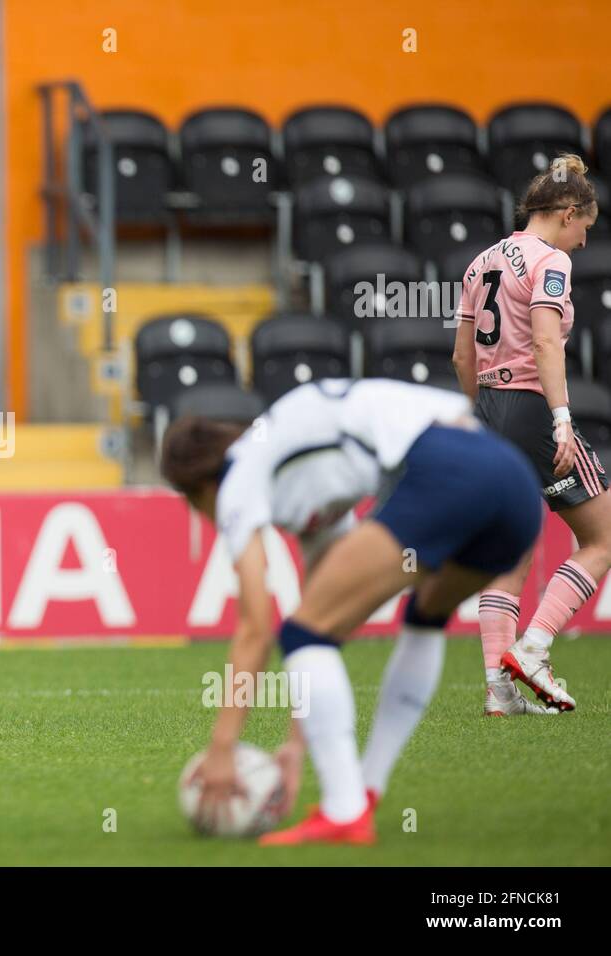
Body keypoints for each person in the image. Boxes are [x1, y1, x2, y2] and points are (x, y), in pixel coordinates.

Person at [165, 378, 542, 845]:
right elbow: (320, 613)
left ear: (197, 489)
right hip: (514, 485)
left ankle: (344, 812)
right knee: (423, 614)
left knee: (301, 636)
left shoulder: (239, 476)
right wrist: (295, 746)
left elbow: (256, 631)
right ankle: (363, 792)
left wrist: (222, 747)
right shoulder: (305, 469)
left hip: (449, 472)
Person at [452, 154, 601, 716]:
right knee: (604, 537)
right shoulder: (551, 261)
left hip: (489, 409)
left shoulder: (479, 263)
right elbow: (544, 342)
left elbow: (461, 357)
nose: (584, 241)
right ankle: (534, 648)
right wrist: (560, 418)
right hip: (531, 408)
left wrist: (481, 418)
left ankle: (499, 688)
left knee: (511, 549)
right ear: (567, 214)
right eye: (585, 226)